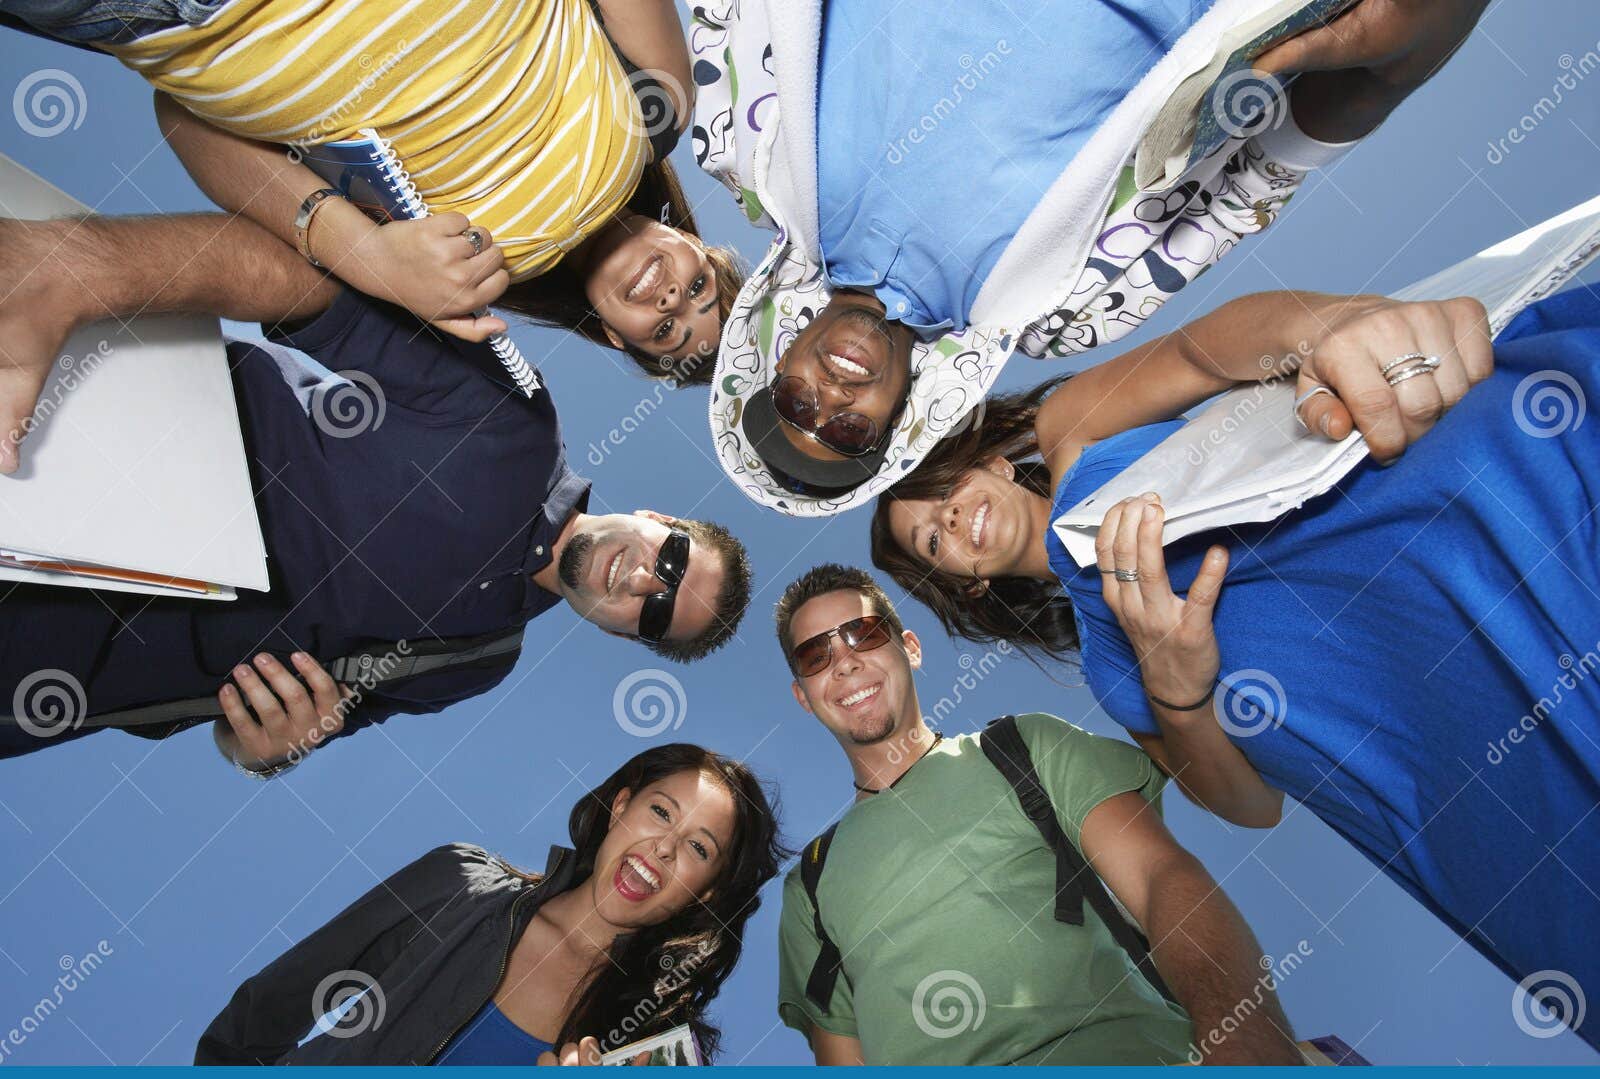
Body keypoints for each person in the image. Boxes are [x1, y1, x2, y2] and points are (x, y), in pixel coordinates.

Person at [871, 284, 1600, 1050]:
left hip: (1483, 517)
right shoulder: (1114, 675)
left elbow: (1201, 352)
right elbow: (1249, 805)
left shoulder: (1068, 432)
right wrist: (1177, 691)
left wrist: (1327, 327)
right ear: (965, 580)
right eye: (931, 542)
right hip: (1451, 761)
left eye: (940, 492)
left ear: (989, 464)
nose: (949, 518)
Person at [0, 211, 752, 773]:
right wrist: (81, 265)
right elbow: (306, 286)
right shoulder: (514, 421)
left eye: (656, 612)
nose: (649, 581)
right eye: (675, 559)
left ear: (620, 634)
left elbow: (252, 738)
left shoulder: (474, 661)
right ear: (660, 519)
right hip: (56, 451)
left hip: (43, 677)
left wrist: (265, 746)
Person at [690, 0, 1489, 515]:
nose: (830, 400)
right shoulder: (1069, 310)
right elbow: (1252, 181)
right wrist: (1405, 60)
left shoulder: (746, 151)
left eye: (795, 407)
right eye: (848, 433)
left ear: (771, 353)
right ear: (898, 421)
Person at [0, 0, 743, 461]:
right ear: (693, 240)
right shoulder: (663, 105)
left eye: (666, 331)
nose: (672, 299)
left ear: (616, 332)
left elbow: (186, 121)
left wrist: (369, 259)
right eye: (701, 286)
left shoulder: (457, 278)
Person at [772, 563, 1303, 1065]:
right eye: (816, 656)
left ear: (909, 647)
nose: (844, 662)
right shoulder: (810, 883)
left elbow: (1160, 876)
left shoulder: (1021, 748)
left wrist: (1248, 1053)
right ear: (803, 696)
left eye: (862, 633)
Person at [193, 743, 783, 1064]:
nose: (663, 847)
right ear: (618, 807)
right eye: (660, 811)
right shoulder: (459, 883)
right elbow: (274, 1004)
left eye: (698, 848)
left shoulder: (652, 1053)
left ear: (703, 894)